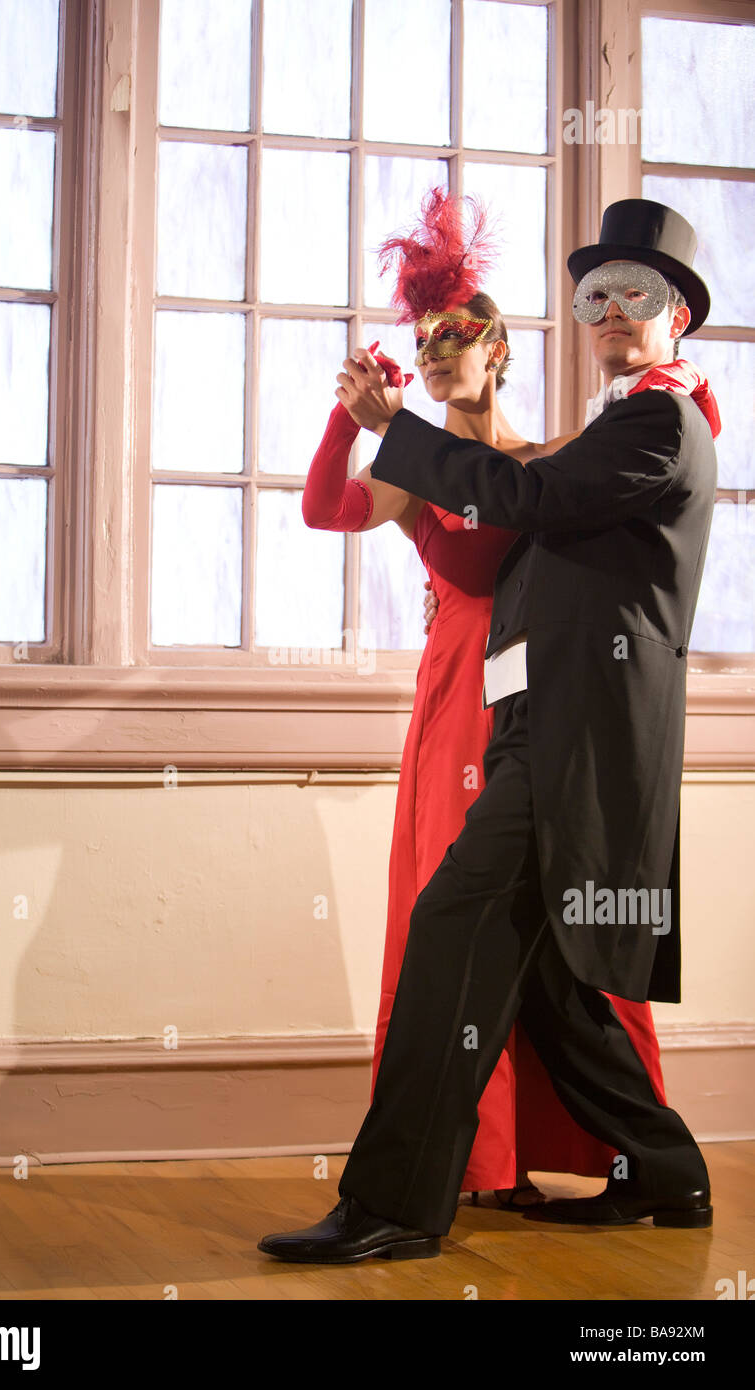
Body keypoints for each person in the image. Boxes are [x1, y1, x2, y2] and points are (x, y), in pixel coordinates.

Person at [259, 196, 720, 1262]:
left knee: (450, 928)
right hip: (530, 720)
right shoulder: (629, 418)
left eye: (634, 296)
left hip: (572, 739)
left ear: (675, 318)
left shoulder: (655, 421)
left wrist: (392, 430)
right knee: (550, 977)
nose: (608, 310)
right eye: (593, 295)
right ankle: (664, 1172)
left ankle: (388, 1204)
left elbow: (517, 490)